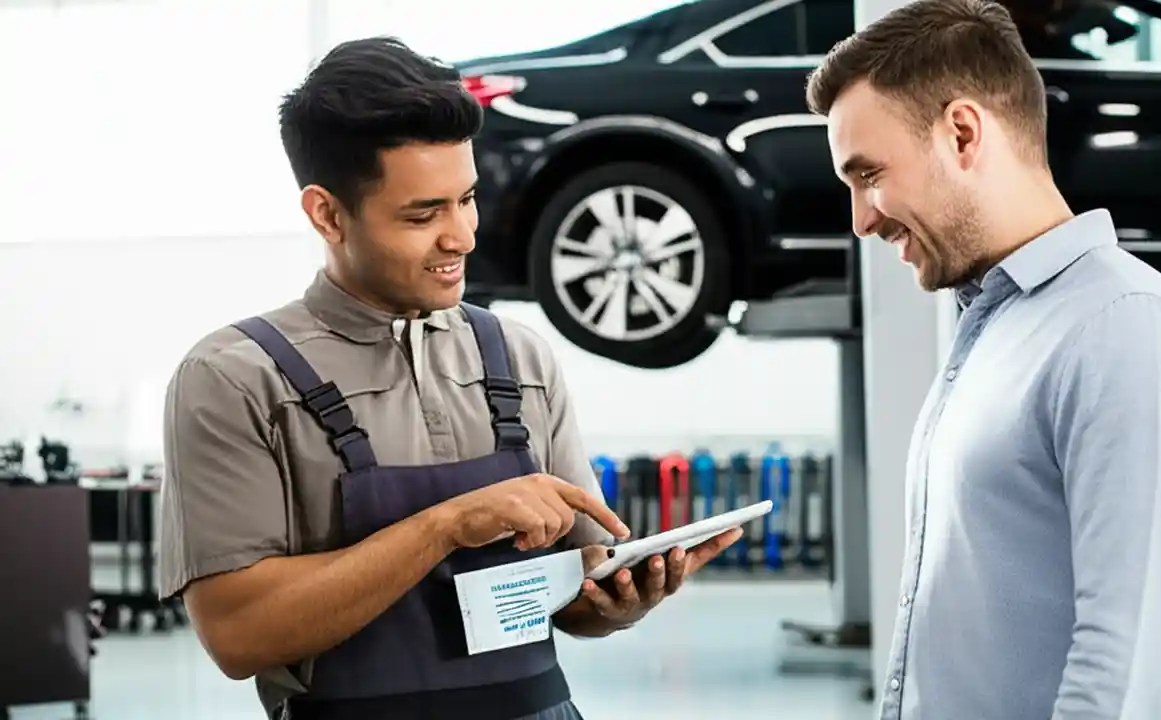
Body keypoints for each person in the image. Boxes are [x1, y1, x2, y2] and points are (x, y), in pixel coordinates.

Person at [156, 37, 741, 720]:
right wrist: (447, 526)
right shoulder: (233, 379)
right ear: (327, 214)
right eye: (424, 213)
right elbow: (239, 635)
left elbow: (577, 590)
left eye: (467, 199)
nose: (462, 235)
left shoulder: (520, 359)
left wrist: (619, 602)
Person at [805, 1, 1161, 718]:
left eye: (869, 175)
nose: (861, 219)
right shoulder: (997, 329)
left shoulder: (1128, 331)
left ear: (963, 133)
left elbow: (1128, 682)